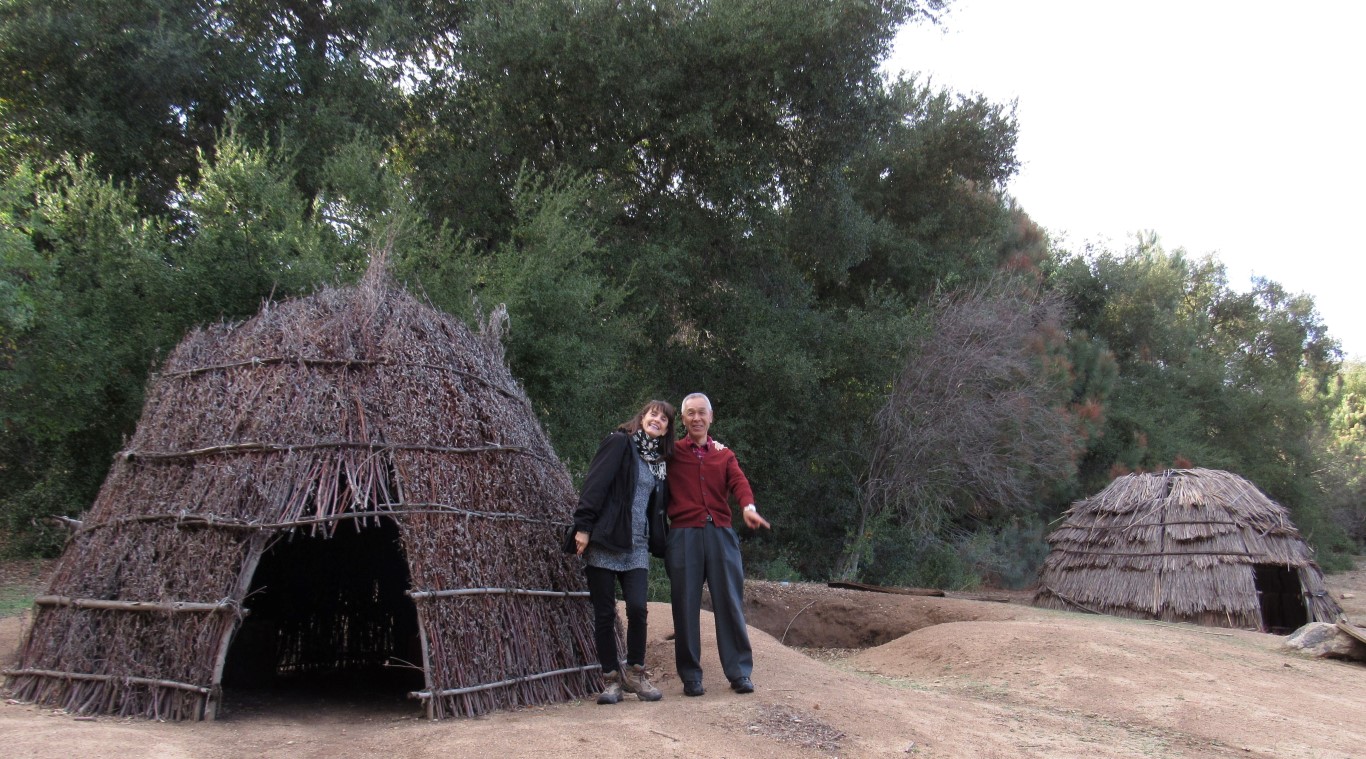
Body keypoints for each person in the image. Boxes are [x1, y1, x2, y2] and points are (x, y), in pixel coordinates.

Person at [665, 392, 771, 697]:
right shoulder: (671, 452)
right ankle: (691, 677)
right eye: (690, 413)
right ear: (682, 420)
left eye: (702, 413)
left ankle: (739, 672)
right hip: (684, 534)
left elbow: (739, 483)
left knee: (729, 603)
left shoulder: (724, 454)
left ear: (711, 417)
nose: (696, 418)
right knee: (685, 607)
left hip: (721, 534)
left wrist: (748, 507)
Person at [571, 400, 673, 704]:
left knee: (639, 609)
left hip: (637, 544)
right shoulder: (619, 443)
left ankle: (636, 674)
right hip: (605, 539)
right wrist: (583, 526)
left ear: (667, 428)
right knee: (604, 613)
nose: (657, 419)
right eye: (653, 413)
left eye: (664, 418)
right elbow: (595, 483)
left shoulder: (659, 462)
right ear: (642, 416)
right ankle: (611, 680)